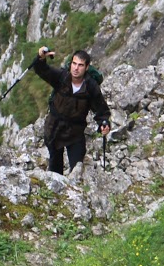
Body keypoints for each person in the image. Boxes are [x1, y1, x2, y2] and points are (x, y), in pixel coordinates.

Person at [30, 46, 110, 174]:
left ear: (87, 67)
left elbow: (101, 109)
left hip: (75, 132)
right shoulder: (62, 77)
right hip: (54, 129)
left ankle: (76, 190)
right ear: (71, 64)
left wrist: (104, 123)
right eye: (74, 63)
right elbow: (43, 70)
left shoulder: (90, 86)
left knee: (77, 168)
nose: (76, 68)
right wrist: (40, 58)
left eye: (80, 65)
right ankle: (55, 191)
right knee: (55, 169)